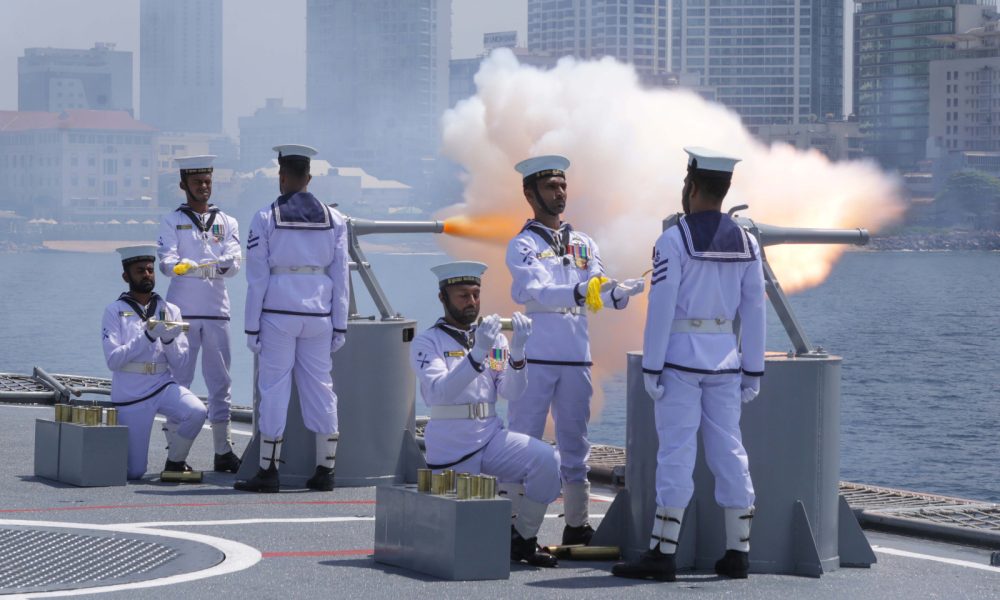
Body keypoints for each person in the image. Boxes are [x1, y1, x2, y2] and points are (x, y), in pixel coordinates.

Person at [612, 147, 766, 582]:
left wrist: (652, 366)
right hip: (726, 362)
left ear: (691, 186)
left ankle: (663, 552)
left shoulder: (672, 240)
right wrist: (753, 369)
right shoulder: (748, 241)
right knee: (730, 451)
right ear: (725, 189)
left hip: (679, 360)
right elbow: (755, 310)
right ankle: (739, 551)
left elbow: (661, 307)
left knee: (676, 452)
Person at [504, 155, 645, 546]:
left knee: (575, 440)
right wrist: (582, 291)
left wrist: (618, 292)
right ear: (530, 193)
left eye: (563, 185)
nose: (559, 193)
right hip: (538, 353)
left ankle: (577, 524)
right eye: (550, 186)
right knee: (523, 437)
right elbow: (535, 289)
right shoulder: (523, 245)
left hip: (575, 354)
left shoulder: (583, 242)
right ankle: (513, 523)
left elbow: (597, 285)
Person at [410, 261, 560, 568]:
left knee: (548, 460)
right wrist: (477, 352)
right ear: (443, 298)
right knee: (465, 536)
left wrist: (517, 353)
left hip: (490, 434)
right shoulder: (429, 342)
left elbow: (510, 391)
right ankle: (502, 535)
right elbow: (441, 391)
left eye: (476, 294)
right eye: (463, 295)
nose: (472, 302)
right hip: (452, 444)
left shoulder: (493, 340)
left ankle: (523, 539)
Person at [235, 144, 350, 493]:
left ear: (282, 176)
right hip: (319, 313)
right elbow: (342, 275)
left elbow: (257, 279)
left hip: (278, 312)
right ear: (309, 177)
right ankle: (325, 470)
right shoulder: (336, 219)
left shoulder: (265, 217)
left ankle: (269, 471)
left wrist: (251, 326)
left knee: (274, 388)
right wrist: (340, 324)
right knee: (321, 388)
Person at [157, 155, 243, 473]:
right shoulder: (171, 221)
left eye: (207, 182)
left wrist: (202, 266)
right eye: (197, 182)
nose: (203, 187)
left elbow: (234, 262)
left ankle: (223, 451)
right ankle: (175, 451)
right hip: (182, 313)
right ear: (183, 185)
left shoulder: (227, 221)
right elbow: (167, 262)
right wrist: (188, 266)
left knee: (221, 382)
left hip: (217, 313)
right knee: (179, 380)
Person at [101, 245, 208, 480]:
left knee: (197, 411)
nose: (147, 275)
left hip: (162, 385)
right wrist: (148, 336)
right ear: (125, 276)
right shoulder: (114, 311)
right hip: (131, 394)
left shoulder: (170, 310)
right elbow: (113, 360)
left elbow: (181, 365)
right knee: (134, 472)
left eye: (150, 270)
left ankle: (175, 462)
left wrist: (169, 340)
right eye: (140, 270)